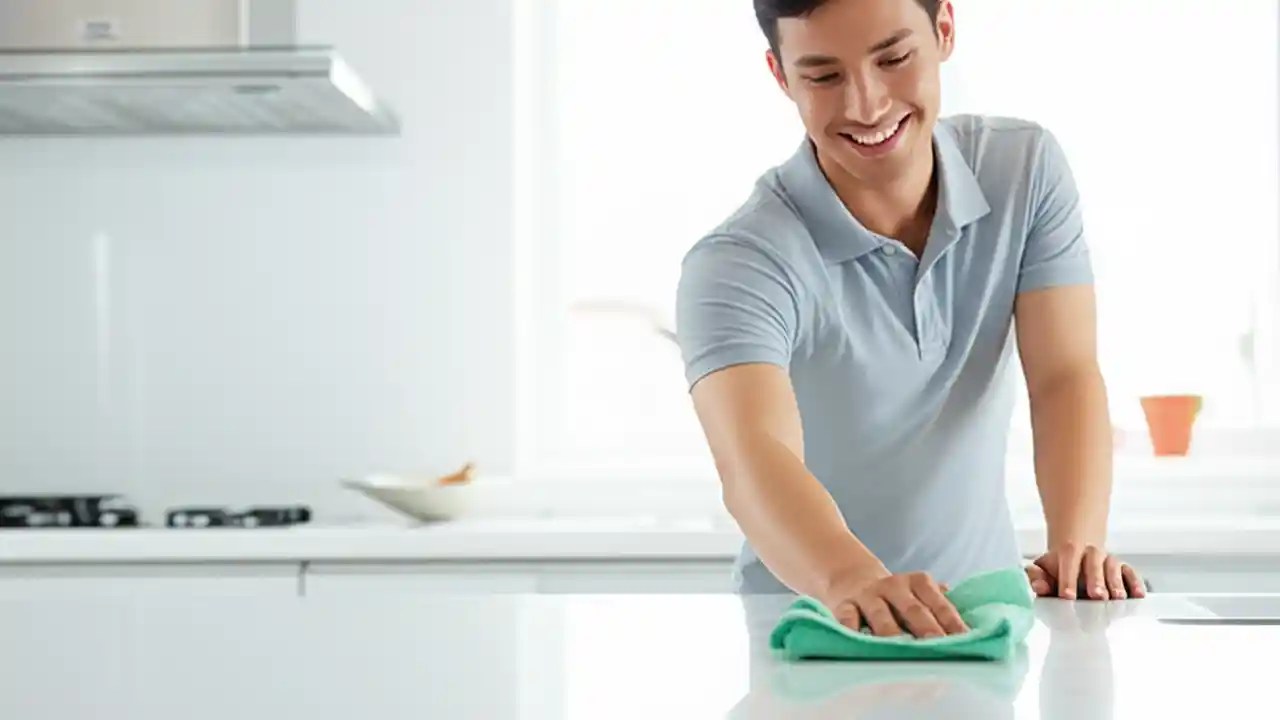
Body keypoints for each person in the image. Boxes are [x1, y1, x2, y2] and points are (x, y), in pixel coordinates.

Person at [675, 0, 1148, 639]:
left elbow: (1064, 374)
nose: (866, 105)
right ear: (781, 76)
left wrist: (1077, 549)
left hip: (983, 621)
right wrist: (852, 581)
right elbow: (753, 458)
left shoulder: (1023, 171)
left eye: (894, 58)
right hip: (817, 626)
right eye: (823, 76)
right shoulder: (740, 261)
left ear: (944, 29)